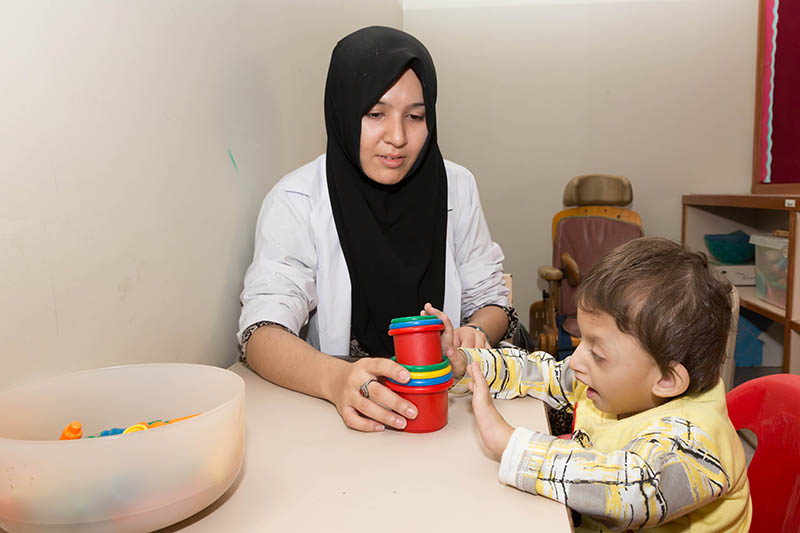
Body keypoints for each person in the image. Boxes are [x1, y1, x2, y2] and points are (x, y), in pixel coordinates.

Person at [237, 26, 516, 433]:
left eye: (415, 116)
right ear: (344, 112)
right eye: (375, 114)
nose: (397, 138)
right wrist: (334, 379)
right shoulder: (297, 200)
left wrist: (470, 335)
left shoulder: (456, 187)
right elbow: (261, 332)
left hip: (445, 408)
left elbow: (491, 301)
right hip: (335, 418)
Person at [426, 237, 751, 531]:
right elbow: (546, 374)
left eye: (598, 354)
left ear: (666, 379)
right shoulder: (609, 382)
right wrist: (468, 363)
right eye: (582, 341)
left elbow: (631, 489)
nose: (576, 361)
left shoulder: (697, 443)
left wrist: (513, 446)